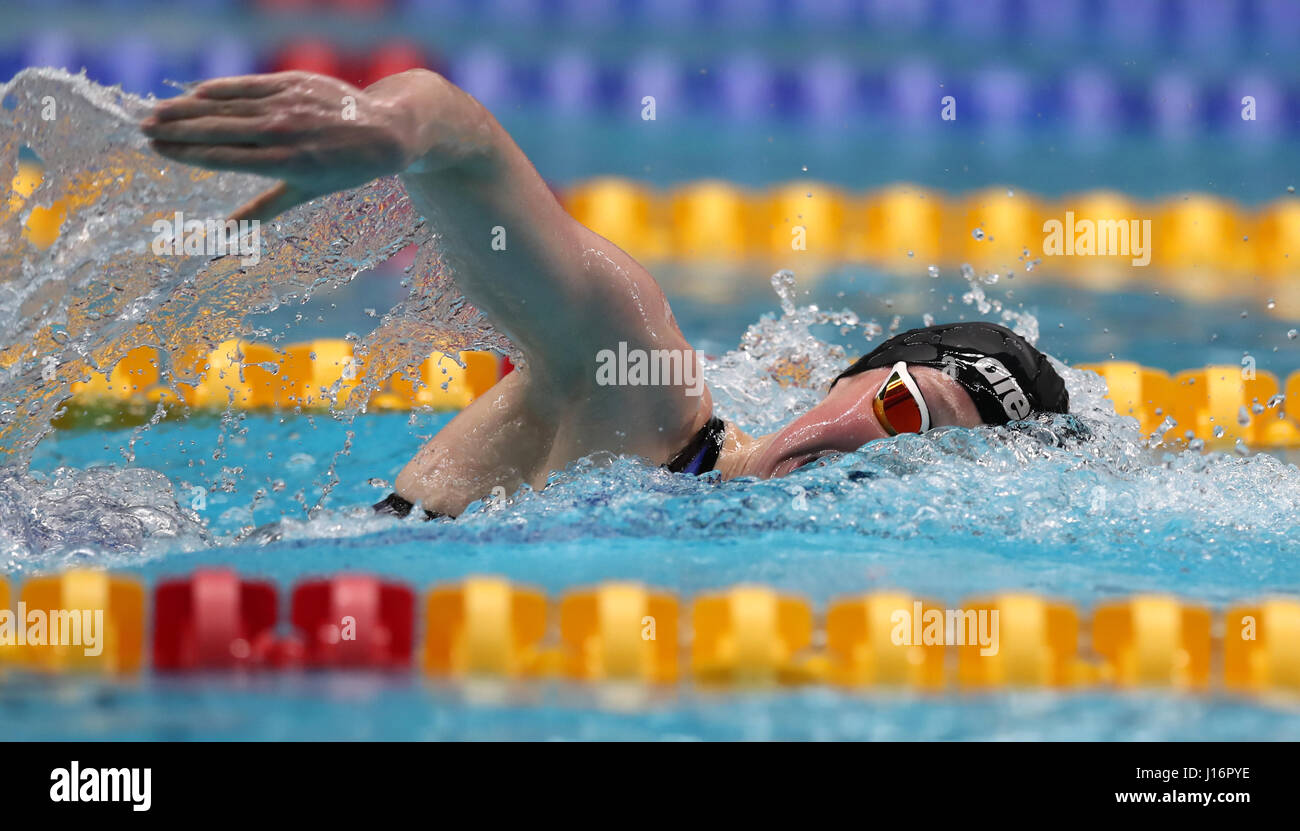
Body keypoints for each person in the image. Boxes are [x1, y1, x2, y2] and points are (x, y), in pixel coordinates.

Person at [141, 68, 1069, 519]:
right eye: (905, 410)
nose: (884, 461)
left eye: (931, 469)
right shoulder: (649, 399)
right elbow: (458, 131)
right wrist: (387, 127)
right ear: (851, 378)